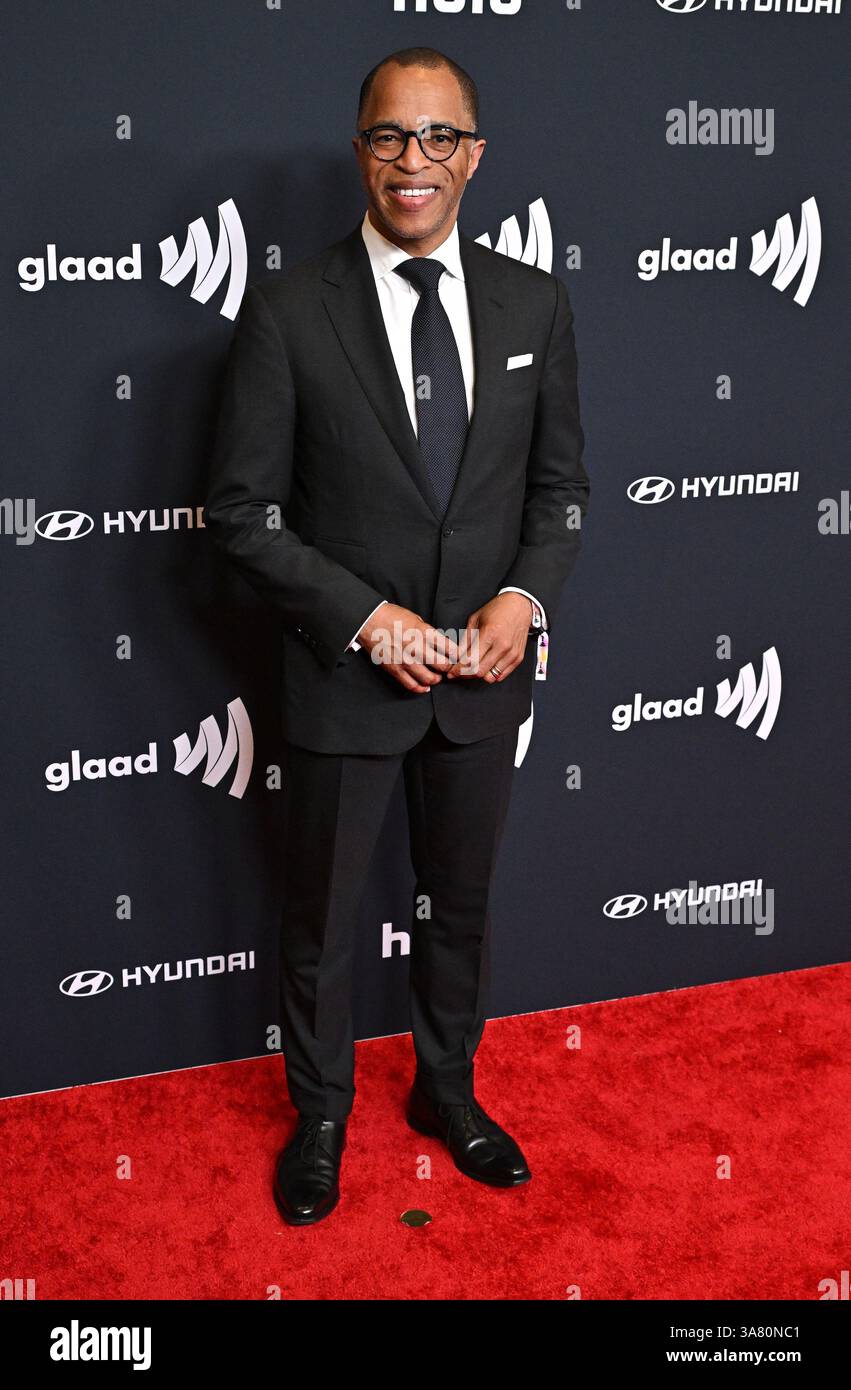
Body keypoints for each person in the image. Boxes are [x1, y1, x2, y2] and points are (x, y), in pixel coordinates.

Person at [205, 45, 589, 1226]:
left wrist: (522, 602)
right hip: (343, 682)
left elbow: (560, 491)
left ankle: (443, 1090)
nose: (410, 162)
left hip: (482, 684)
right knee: (320, 921)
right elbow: (239, 513)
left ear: (472, 154)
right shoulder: (284, 310)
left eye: (436, 138)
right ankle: (320, 1117)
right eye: (387, 136)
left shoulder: (534, 300)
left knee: (457, 906)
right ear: (358, 149)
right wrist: (365, 620)